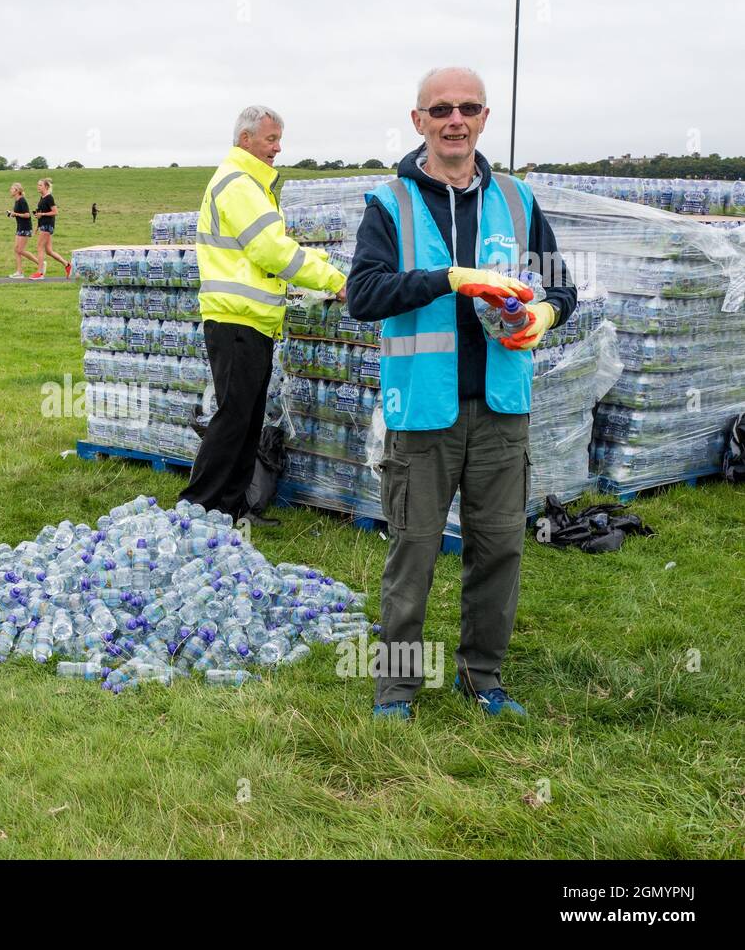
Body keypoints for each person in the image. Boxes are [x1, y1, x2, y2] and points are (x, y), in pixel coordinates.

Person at [346, 67, 577, 721]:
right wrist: (447, 278)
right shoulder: (389, 203)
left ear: (483, 118)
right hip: (422, 415)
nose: (455, 119)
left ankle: (484, 680)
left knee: (499, 548)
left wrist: (544, 317)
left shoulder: (516, 199)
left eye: (468, 108)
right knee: (412, 553)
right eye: (440, 108)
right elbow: (363, 294)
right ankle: (396, 689)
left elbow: (563, 288)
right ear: (417, 120)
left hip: (502, 409)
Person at [179, 105, 346, 523]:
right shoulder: (239, 184)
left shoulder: (251, 184)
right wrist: (331, 277)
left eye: (278, 138)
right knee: (234, 417)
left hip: (251, 320)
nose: (278, 147)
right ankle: (197, 508)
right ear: (245, 140)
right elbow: (271, 250)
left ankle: (232, 508)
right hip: (236, 319)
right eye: (271, 139)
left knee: (248, 418)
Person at [28, 178, 72, 279]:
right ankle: (67, 265)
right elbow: (40, 214)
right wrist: (37, 226)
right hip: (43, 225)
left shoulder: (49, 198)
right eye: (38, 185)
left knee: (39, 247)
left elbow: (55, 212)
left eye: (40, 185)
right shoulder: (42, 198)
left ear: (46, 187)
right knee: (49, 251)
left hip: (47, 225)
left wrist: (42, 214)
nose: (38, 187)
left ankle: (40, 273)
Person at [6, 182, 41, 279]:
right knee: (16, 250)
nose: (10, 190)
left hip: (25, 227)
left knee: (20, 250)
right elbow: (19, 214)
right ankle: (19, 272)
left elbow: (27, 215)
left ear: (17, 191)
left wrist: (15, 214)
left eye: (12, 189)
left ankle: (40, 263)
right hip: (20, 227)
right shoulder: (17, 201)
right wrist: (13, 214)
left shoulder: (22, 201)